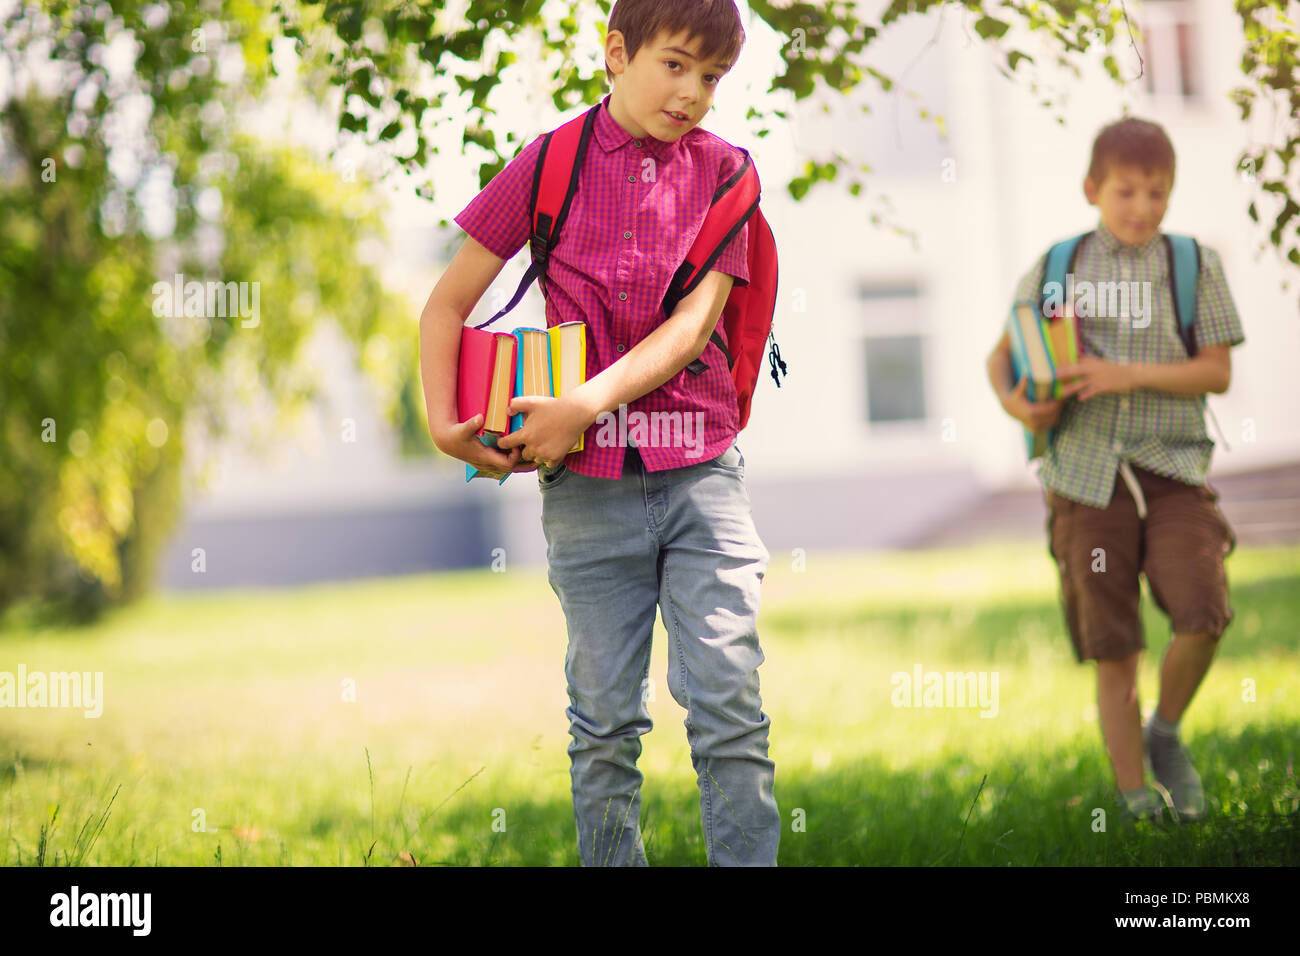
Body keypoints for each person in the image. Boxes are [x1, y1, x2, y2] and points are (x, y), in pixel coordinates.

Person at [418, 0, 779, 865]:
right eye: (676, 65)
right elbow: (444, 305)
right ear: (618, 53)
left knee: (729, 704)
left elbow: (693, 331)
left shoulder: (729, 174)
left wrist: (583, 402)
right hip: (586, 492)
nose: (693, 93)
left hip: (702, 472)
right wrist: (442, 426)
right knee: (605, 724)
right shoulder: (549, 165)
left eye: (714, 77)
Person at [986, 117, 1245, 823]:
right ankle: (1135, 800)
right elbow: (1004, 356)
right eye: (1127, 192)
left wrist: (1123, 373)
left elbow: (1216, 372)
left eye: (1158, 194)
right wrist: (1023, 408)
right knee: (1113, 643)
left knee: (1201, 609)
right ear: (1093, 189)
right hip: (1083, 477)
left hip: (1172, 468)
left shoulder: (1193, 264)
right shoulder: (1058, 266)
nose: (1143, 208)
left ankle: (1165, 733)